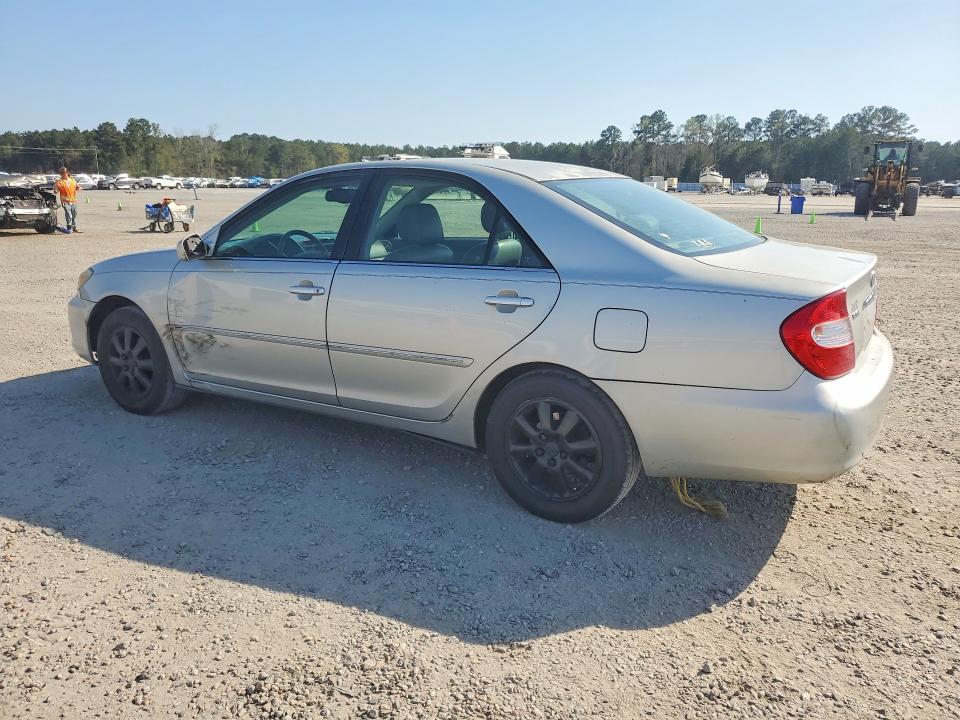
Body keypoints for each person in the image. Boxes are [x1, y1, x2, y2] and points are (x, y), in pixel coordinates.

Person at [54, 167, 82, 233]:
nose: (63, 174)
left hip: (73, 200)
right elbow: (56, 189)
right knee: (68, 214)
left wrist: (78, 188)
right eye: (62, 173)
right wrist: (55, 190)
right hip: (65, 201)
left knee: (74, 213)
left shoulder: (72, 180)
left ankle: (74, 226)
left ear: (67, 172)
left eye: (64, 172)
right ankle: (69, 227)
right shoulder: (59, 182)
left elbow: (77, 186)